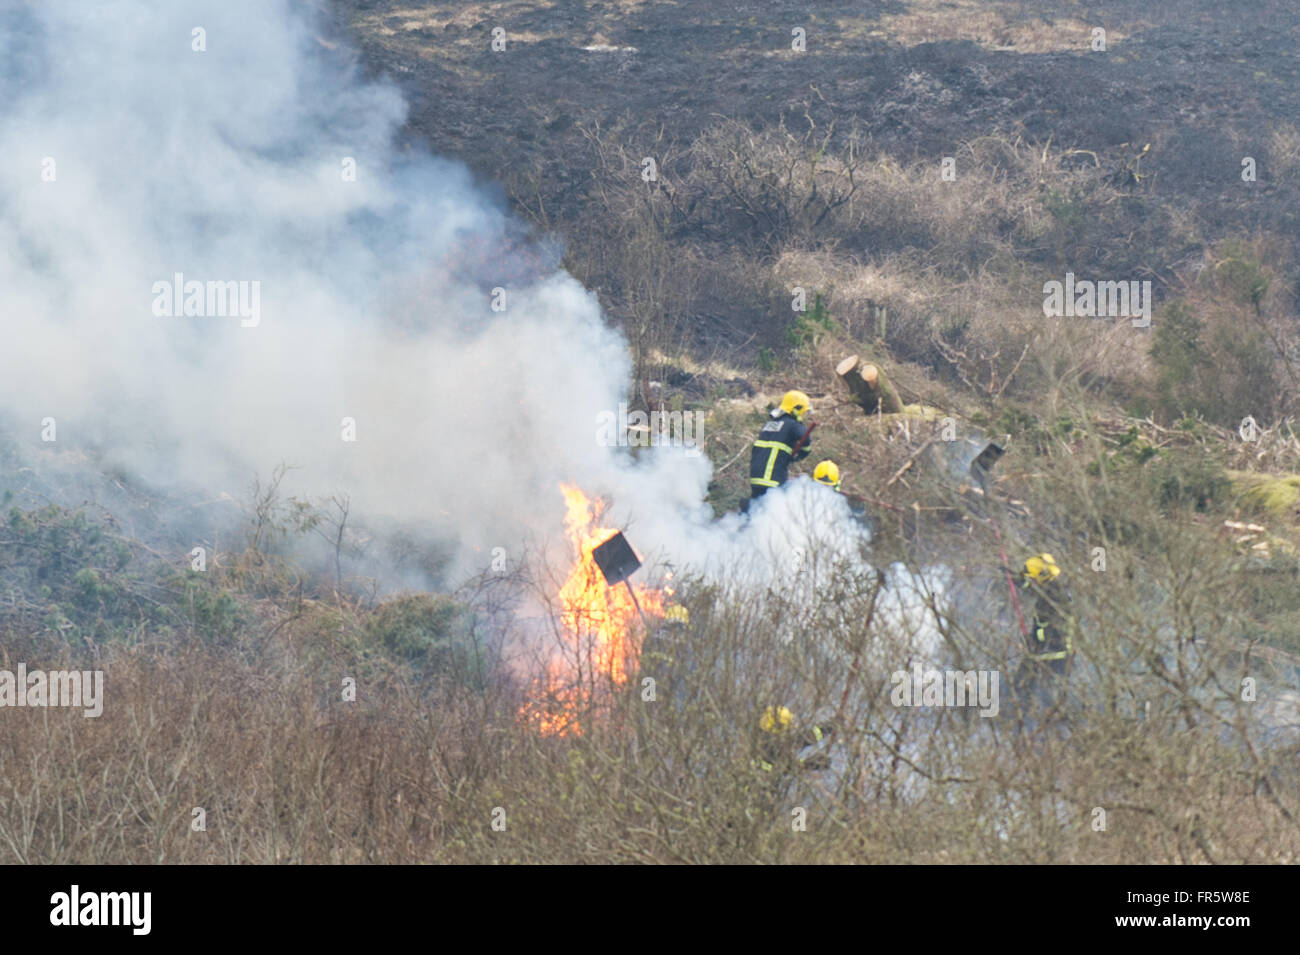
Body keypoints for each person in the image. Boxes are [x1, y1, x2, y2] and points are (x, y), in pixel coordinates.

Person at [1012, 553, 1075, 704]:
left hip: (1051, 654)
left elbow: (1045, 628)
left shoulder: (1052, 598)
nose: (1031, 582)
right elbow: (1034, 589)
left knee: (1022, 689)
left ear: (1041, 577)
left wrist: (1033, 641)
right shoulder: (1054, 587)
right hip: (1052, 652)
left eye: (1032, 579)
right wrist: (1019, 581)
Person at [746, 391, 813, 507]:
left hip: (755, 478)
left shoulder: (769, 424)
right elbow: (805, 437)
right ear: (797, 408)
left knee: (755, 511)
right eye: (803, 411)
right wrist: (803, 453)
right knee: (770, 514)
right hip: (771, 478)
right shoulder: (792, 425)